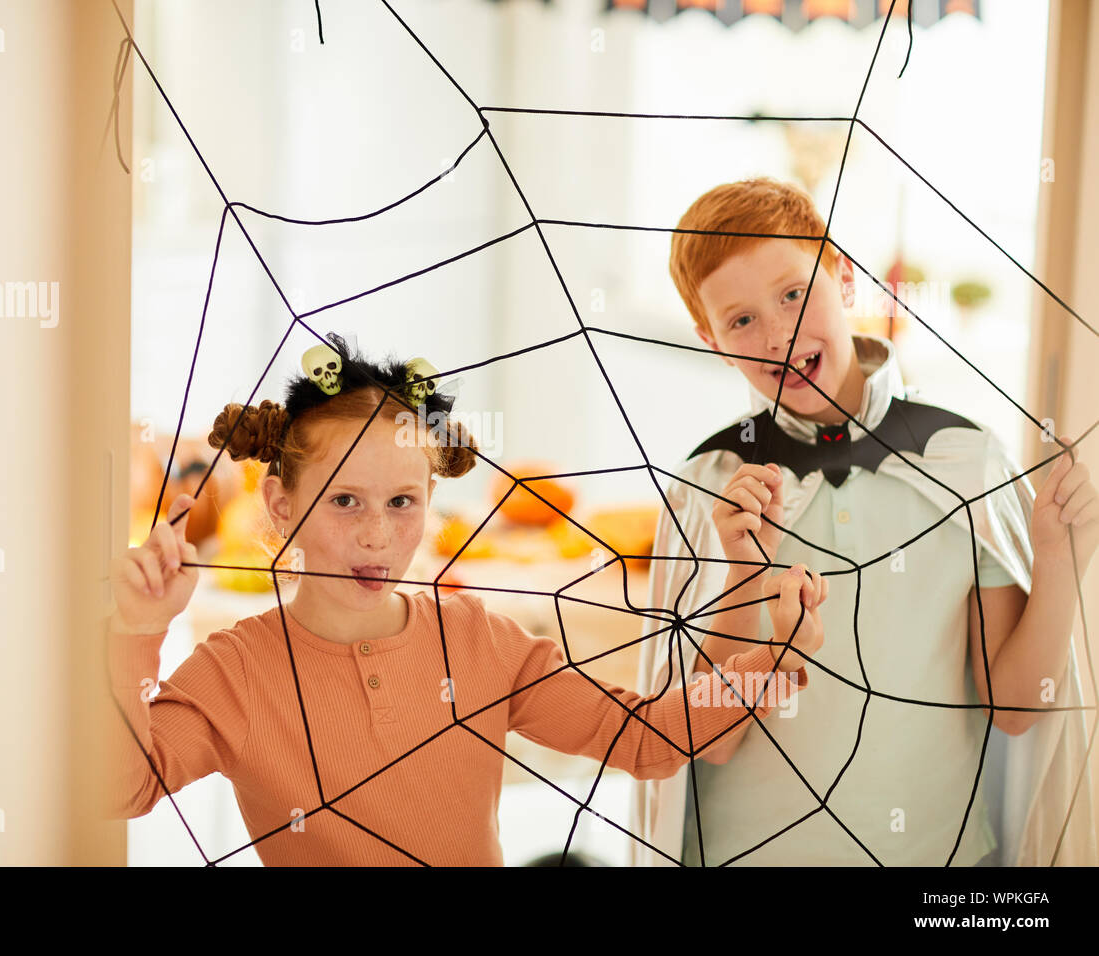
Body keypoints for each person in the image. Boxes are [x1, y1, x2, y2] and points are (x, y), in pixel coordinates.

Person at [101, 335, 822, 866]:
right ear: (281, 503)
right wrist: (139, 632)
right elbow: (124, 790)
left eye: (402, 501)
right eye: (344, 500)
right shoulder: (235, 670)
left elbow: (650, 739)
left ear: (432, 500)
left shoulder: (479, 640)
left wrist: (774, 652)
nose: (377, 536)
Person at [629, 177, 1098, 867]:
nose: (779, 336)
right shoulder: (708, 487)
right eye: (741, 321)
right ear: (711, 339)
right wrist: (739, 572)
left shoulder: (963, 463)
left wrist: (1059, 558)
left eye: (793, 294)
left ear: (842, 277)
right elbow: (708, 739)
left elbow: (1021, 708)